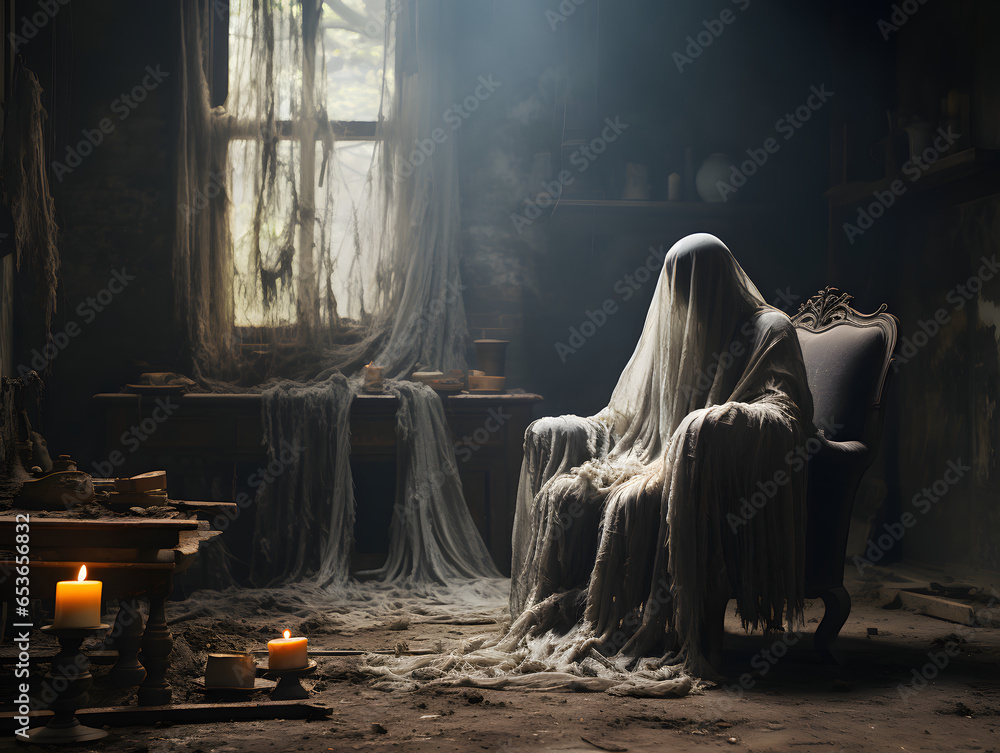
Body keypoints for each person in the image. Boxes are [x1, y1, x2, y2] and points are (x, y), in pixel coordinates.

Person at [506, 233, 816, 680]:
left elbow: (785, 409)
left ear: (721, 275)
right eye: (677, 283)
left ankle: (688, 630)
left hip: (730, 473)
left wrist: (713, 423)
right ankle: (593, 618)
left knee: (637, 498)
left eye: (695, 281)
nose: (685, 295)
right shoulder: (681, 333)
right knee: (569, 490)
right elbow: (626, 414)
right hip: (675, 453)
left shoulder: (771, 328)